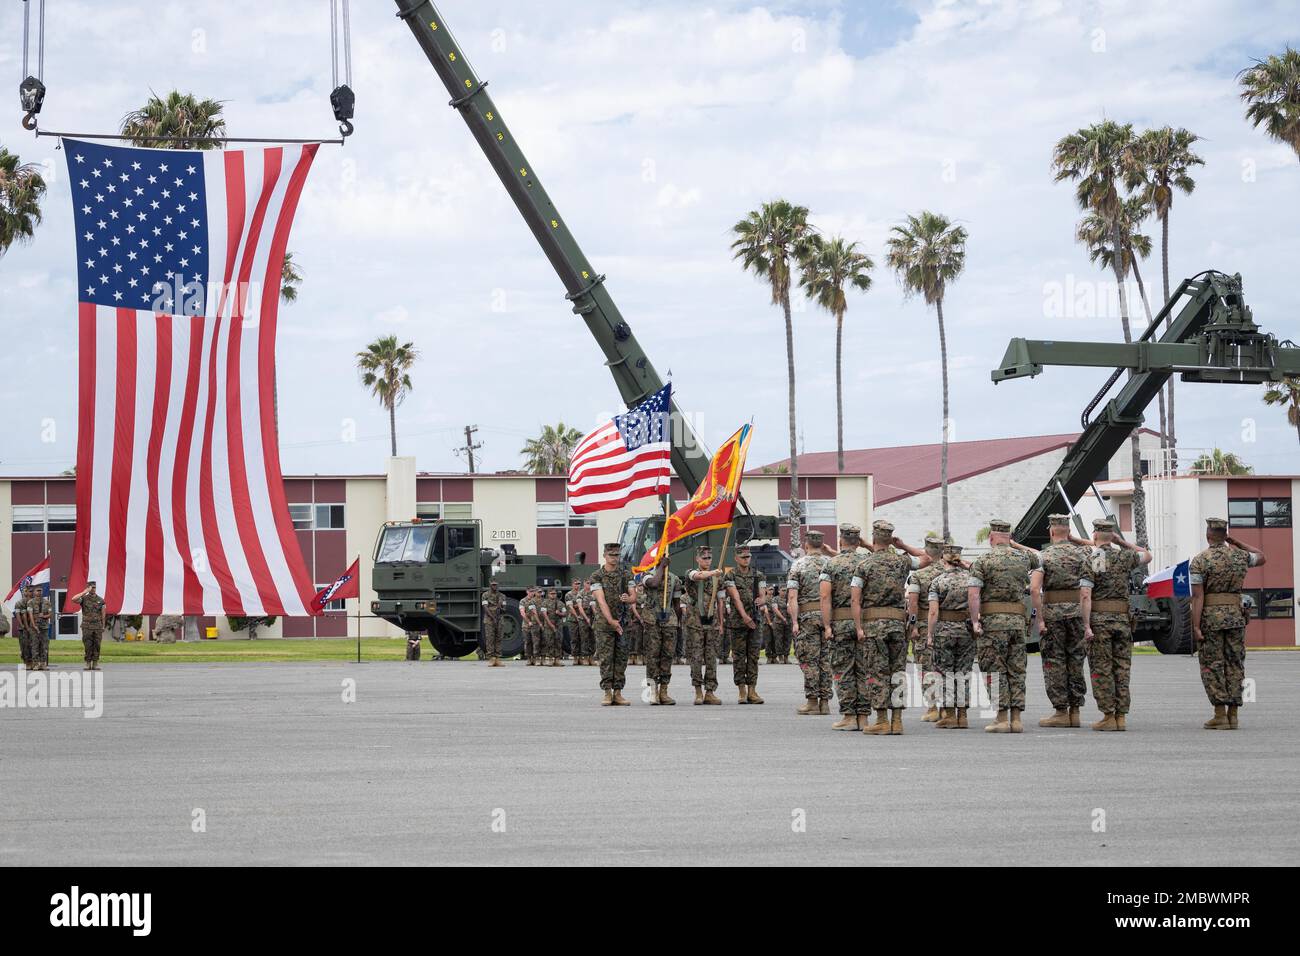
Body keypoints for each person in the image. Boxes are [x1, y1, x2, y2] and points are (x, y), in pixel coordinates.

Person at [856, 520, 931, 736]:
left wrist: (859, 626)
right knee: (898, 671)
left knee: (877, 671)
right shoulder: (901, 562)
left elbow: (855, 599)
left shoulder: (865, 565)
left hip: (874, 625)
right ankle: (897, 721)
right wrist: (903, 546)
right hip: (898, 624)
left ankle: (881, 720)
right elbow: (927, 558)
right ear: (891, 539)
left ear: (873, 538)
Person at [1190, 518, 1264, 730]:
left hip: (1211, 619)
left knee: (1212, 664)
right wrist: (1237, 542)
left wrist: (1195, 626)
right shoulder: (1240, 556)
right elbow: (1262, 556)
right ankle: (1234, 715)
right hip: (1236, 617)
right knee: (1235, 664)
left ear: (1208, 535)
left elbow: (1197, 596)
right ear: (1225, 535)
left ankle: (1220, 714)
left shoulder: (1200, 560)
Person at [968, 518, 1040, 733]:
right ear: (1008, 537)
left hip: (992, 624)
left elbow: (973, 595)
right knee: (1017, 669)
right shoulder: (1022, 559)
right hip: (1017, 623)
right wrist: (1015, 545)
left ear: (990, 538)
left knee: (994, 669)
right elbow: (1039, 558)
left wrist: (974, 621)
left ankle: (1001, 719)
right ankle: (1016, 719)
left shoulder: (983, 561)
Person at [1080, 518, 1150, 731]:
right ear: (1111, 536)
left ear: (1094, 536)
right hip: (1122, 621)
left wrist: (1086, 625)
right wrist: (1123, 542)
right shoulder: (1124, 556)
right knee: (1122, 669)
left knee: (1102, 668)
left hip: (1101, 621)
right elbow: (1147, 555)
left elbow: (1085, 594)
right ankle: (1121, 716)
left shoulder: (1094, 558)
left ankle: (1108, 715)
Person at [1033, 515, 1095, 728]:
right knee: (1076, 659)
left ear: (1051, 532)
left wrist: (1039, 619)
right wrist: (1077, 540)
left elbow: (1034, 589)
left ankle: (1061, 711)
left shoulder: (1044, 556)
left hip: (1053, 615)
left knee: (1054, 661)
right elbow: (1100, 547)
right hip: (1077, 613)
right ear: (1068, 531)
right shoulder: (1084, 553)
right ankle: (1075, 711)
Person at [821, 524, 868, 729]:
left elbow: (825, 597)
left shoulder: (832, 564)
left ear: (841, 541)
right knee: (864, 669)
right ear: (858, 542)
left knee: (843, 669)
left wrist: (827, 626)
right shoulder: (867, 562)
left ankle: (849, 715)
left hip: (840, 622)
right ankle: (864, 716)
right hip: (864, 623)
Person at [927, 543, 975, 728]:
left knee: (945, 673)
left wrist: (930, 634)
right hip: (966, 631)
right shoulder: (971, 579)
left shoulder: (938, 581)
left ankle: (949, 714)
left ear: (942, 559)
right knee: (963, 673)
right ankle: (962, 716)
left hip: (944, 632)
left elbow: (933, 612)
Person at [788, 529, 832, 716]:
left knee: (809, 660)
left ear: (806, 544)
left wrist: (794, 621)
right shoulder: (831, 564)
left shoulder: (798, 565)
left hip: (807, 617)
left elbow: (792, 596)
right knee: (826, 660)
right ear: (822, 545)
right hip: (828, 616)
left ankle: (812, 701)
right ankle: (825, 703)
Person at [906, 535, 946, 721]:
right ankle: (947, 708)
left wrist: (912, 625)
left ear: (926, 550)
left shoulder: (919, 576)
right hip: (947, 625)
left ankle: (932, 707)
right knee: (945, 665)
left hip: (922, 625)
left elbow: (912, 603)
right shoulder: (949, 572)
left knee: (926, 666)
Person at [590, 543, 635, 705]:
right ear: (604, 556)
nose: (614, 558)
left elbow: (633, 596)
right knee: (606, 658)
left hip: (623, 622)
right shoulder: (597, 576)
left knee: (621, 658)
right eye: (611, 555)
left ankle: (618, 692)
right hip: (604, 624)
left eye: (617, 555)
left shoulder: (625, 574)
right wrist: (611, 621)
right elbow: (601, 601)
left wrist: (628, 599)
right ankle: (607, 692)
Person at [724, 544, 767, 704]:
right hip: (738, 622)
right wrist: (744, 617)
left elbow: (763, 595)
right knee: (739, 656)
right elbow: (735, 598)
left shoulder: (759, 575)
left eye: (748, 557)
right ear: (736, 558)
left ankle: (752, 690)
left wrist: (763, 600)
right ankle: (741, 690)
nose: (746, 559)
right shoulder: (730, 576)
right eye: (742, 557)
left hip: (755, 621)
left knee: (754, 656)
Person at [639, 564, 684, 705]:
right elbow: (654, 583)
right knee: (653, 655)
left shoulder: (674, 578)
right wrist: (661, 568)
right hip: (652, 619)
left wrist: (678, 622)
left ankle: (664, 691)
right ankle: (653, 691)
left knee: (667, 655)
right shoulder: (646, 575)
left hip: (669, 620)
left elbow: (676, 602)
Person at [684, 544, 723, 705]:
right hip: (695, 622)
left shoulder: (717, 577)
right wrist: (713, 572)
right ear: (697, 559)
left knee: (711, 658)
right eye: (704, 557)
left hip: (712, 622)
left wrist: (721, 622)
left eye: (709, 558)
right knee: (696, 658)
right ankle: (698, 691)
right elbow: (698, 576)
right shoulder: (690, 572)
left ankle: (710, 691)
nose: (707, 560)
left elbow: (720, 601)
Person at [71, 581, 107, 671]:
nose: (93, 589)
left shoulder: (101, 600)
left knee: (97, 645)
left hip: (97, 626)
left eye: (94, 587)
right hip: (87, 626)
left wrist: (103, 625)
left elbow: (103, 614)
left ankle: (95, 663)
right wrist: (84, 592)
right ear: (88, 588)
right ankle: (88, 663)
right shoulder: (84, 598)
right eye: (91, 587)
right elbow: (73, 599)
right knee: (88, 645)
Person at [481, 579, 506, 666]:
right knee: (490, 638)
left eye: (496, 585)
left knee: (499, 638)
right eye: (493, 585)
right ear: (490, 585)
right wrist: (492, 617)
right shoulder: (485, 595)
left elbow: (504, 609)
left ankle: (498, 658)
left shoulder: (502, 596)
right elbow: (485, 607)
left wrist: (500, 607)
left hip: (500, 619)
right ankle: (491, 658)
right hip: (489, 619)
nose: (494, 586)